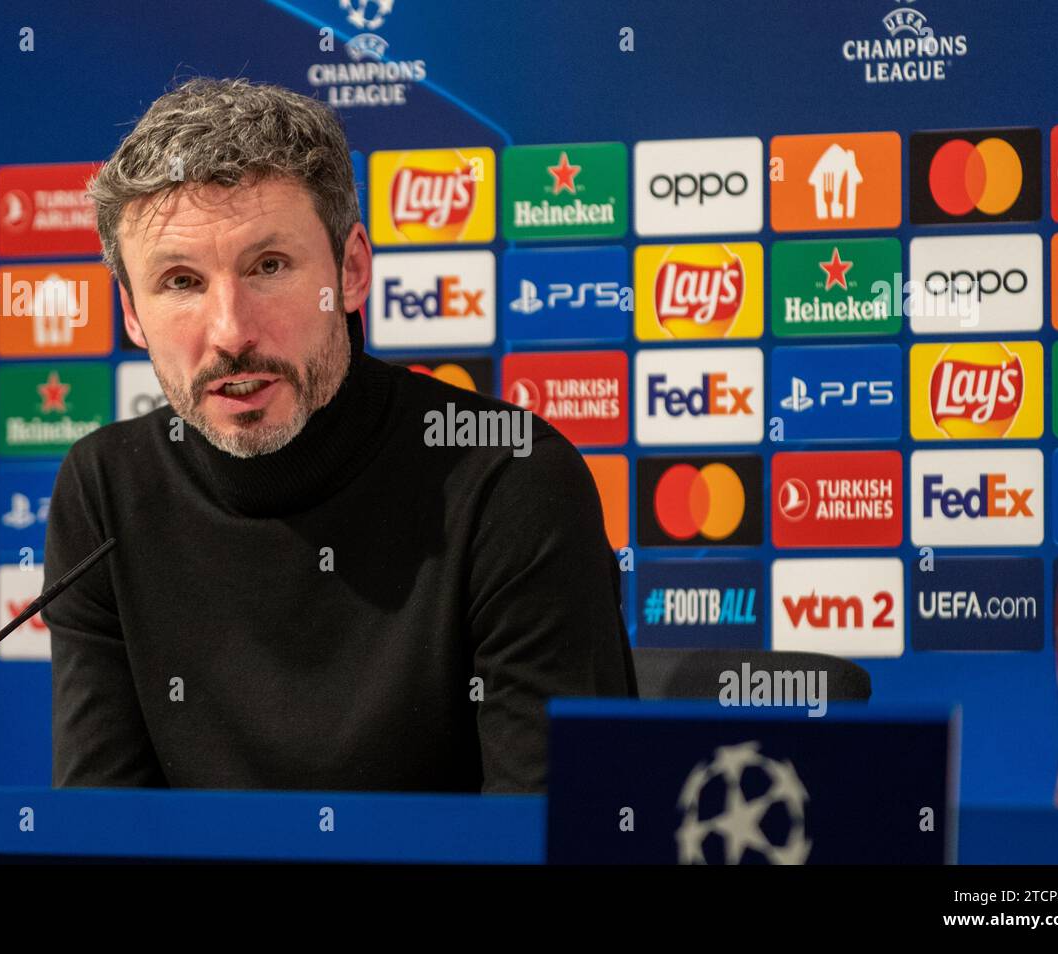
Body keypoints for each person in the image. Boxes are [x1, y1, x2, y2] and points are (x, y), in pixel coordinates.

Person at [43, 77, 636, 793]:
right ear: (132, 315)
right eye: (180, 282)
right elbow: (103, 837)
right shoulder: (106, 491)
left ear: (351, 270)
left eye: (268, 267)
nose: (231, 333)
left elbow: (550, 837)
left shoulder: (510, 482)